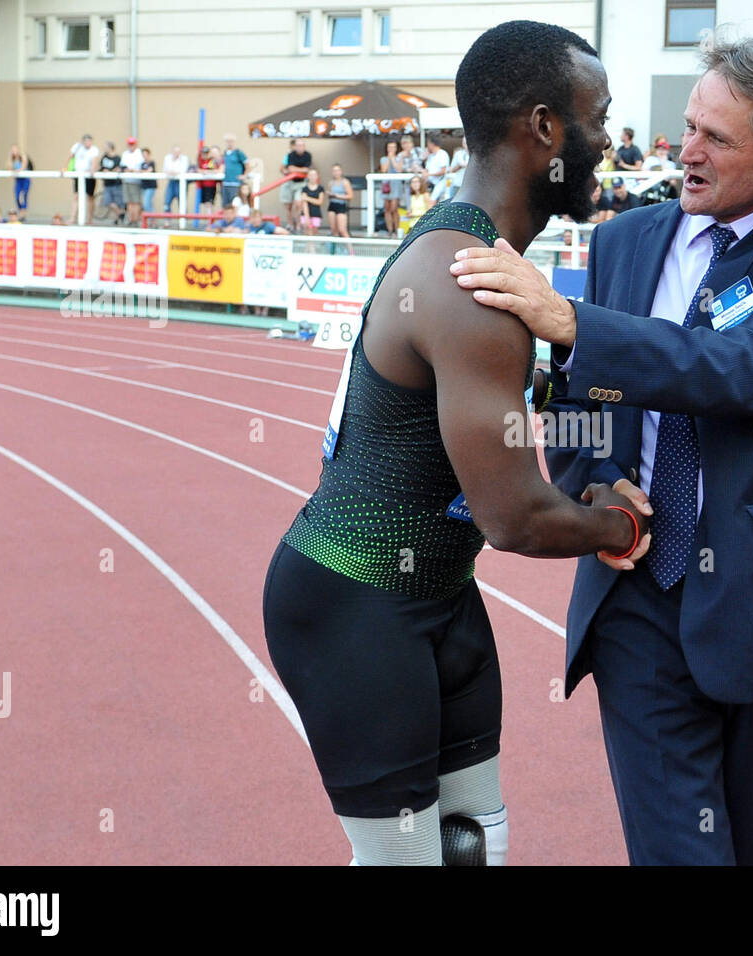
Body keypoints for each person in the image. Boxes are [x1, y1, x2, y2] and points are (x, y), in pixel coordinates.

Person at [450, 32, 753, 866]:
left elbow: (746, 369)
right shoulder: (627, 242)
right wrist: (594, 483)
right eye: (687, 126)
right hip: (638, 598)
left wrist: (577, 325)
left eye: (716, 139)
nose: (684, 151)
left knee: (729, 850)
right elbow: (579, 398)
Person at [263, 19, 648, 868]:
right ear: (545, 129)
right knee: (408, 863)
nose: (613, 140)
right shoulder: (466, 281)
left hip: (435, 589)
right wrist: (620, 524)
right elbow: (514, 516)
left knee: (473, 848)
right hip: (353, 602)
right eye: (602, 116)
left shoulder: (477, 250)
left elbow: (506, 424)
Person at [67, 133, 99, 222]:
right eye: (86, 141)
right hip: (78, 175)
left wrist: (92, 169)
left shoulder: (94, 150)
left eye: (89, 141)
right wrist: (65, 167)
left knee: (90, 197)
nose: (88, 143)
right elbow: (70, 156)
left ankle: (89, 219)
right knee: (76, 196)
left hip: (89, 176)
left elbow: (95, 160)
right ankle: (73, 218)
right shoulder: (77, 147)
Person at [280, 138, 313, 223]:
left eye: (302, 145)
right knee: (288, 206)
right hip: (289, 181)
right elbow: (289, 168)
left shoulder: (307, 155)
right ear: (295, 146)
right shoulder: (290, 155)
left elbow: (307, 169)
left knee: (298, 204)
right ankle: (290, 224)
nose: (300, 147)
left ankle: (298, 225)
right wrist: (300, 169)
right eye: (298, 145)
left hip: (301, 183)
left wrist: (295, 170)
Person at [120, 136, 145, 227]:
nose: (131, 146)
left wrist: (133, 170)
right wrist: (127, 169)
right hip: (126, 180)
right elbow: (123, 166)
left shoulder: (139, 153)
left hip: (135, 181)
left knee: (136, 201)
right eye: (129, 144)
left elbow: (141, 166)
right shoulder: (125, 154)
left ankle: (136, 220)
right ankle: (131, 219)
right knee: (129, 201)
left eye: (132, 144)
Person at [98, 141, 124, 223]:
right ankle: (121, 213)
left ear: (111, 148)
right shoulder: (104, 157)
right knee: (107, 201)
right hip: (107, 183)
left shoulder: (117, 158)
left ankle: (117, 219)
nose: (104, 148)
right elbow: (100, 167)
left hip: (116, 183)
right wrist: (103, 170)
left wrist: (112, 170)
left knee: (118, 202)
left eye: (106, 147)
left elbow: (119, 168)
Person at [221, 133, 248, 208]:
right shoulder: (225, 153)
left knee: (235, 205)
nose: (229, 143)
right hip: (225, 183)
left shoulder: (238, 153)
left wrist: (244, 175)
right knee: (226, 206)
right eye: (227, 141)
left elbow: (247, 165)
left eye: (231, 141)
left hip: (236, 184)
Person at [162, 144, 190, 214]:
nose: (176, 153)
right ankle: (167, 221)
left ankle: (183, 221)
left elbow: (183, 170)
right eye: (174, 152)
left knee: (181, 202)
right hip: (171, 181)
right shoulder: (168, 158)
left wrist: (172, 172)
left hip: (180, 182)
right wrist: (173, 172)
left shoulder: (184, 158)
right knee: (167, 201)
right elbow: (165, 170)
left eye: (177, 152)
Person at [298, 168, 325, 235]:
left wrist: (307, 198)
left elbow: (320, 202)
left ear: (317, 176)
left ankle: (312, 246)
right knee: (307, 234)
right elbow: (304, 203)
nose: (313, 177)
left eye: (314, 175)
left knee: (314, 235)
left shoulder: (320, 188)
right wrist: (307, 217)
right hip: (306, 215)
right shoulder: (305, 189)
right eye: (311, 175)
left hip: (316, 214)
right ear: (308, 176)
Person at [10, 145, 32, 220]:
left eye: (15, 150)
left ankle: (23, 213)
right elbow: (9, 167)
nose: (13, 151)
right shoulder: (12, 158)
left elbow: (23, 167)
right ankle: (20, 212)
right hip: (18, 180)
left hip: (25, 179)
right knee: (17, 196)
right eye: (12, 150)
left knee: (24, 195)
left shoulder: (23, 156)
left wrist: (16, 171)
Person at [197, 146, 220, 215]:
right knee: (205, 204)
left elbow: (215, 170)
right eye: (203, 153)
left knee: (209, 204)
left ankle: (210, 221)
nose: (204, 155)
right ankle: (208, 220)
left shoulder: (211, 161)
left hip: (211, 186)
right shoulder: (200, 161)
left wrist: (206, 172)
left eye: (206, 153)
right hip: (203, 186)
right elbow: (197, 169)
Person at [140, 148, 157, 215]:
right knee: (147, 204)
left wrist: (141, 171)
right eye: (143, 154)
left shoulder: (152, 163)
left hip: (150, 186)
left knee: (146, 203)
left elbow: (149, 171)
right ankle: (151, 220)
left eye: (146, 154)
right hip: (144, 186)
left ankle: (152, 220)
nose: (144, 156)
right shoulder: (142, 164)